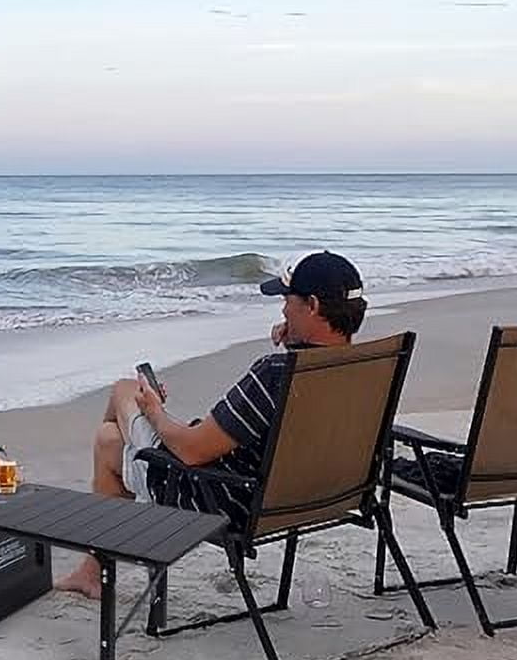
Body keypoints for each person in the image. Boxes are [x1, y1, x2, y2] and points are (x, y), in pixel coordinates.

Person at [56, 251, 368, 598]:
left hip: (219, 499)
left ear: (311, 305)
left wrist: (155, 410)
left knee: (119, 405)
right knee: (115, 436)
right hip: (319, 496)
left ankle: (96, 566)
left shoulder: (276, 375)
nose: (282, 310)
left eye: (286, 300)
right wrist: (297, 342)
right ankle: (96, 561)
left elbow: (191, 451)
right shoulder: (364, 368)